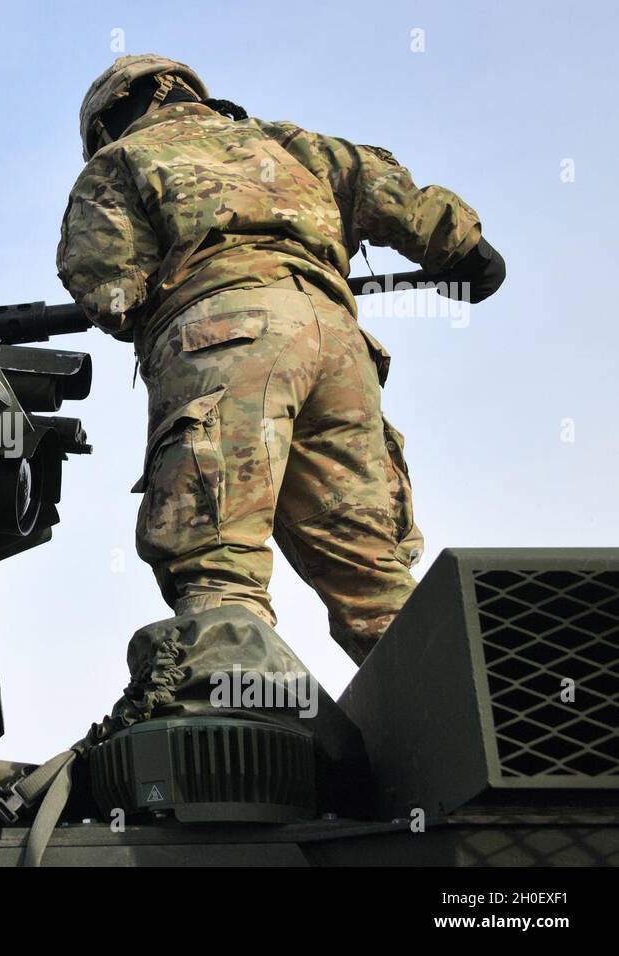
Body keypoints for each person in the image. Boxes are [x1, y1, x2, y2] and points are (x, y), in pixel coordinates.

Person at [57, 54, 505, 729]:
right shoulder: (285, 141)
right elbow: (386, 189)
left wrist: (151, 303)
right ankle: (474, 735)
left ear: (108, 119)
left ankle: (243, 746)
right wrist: (462, 249)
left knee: (217, 563)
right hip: (338, 347)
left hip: (225, 342)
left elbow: (110, 288)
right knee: (374, 577)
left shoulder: (120, 162)